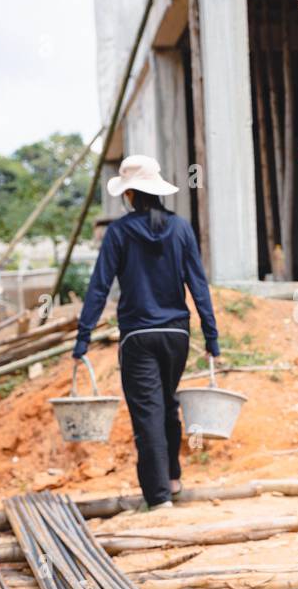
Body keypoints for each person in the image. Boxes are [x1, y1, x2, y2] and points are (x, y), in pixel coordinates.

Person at [73, 154, 221, 511]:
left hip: (138, 337)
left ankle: (158, 499)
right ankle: (172, 478)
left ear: (130, 194)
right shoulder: (181, 228)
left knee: (148, 414)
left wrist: (83, 336)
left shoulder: (119, 233)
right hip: (177, 336)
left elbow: (99, 287)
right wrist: (211, 336)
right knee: (167, 405)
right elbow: (198, 285)